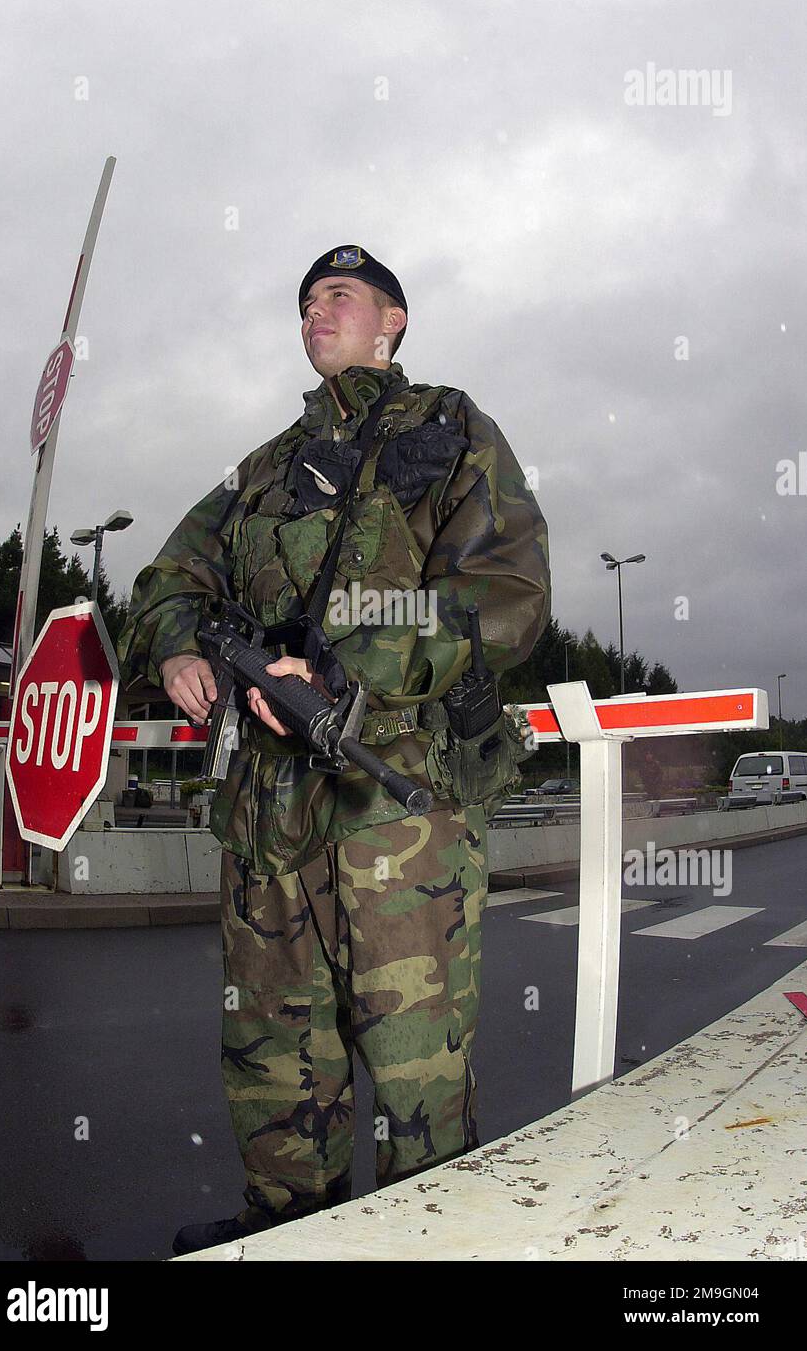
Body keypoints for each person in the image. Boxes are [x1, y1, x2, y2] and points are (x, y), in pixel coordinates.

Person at [117, 244, 551, 1255]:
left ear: (393, 319)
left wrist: (346, 666)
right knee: (274, 1059)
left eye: (341, 295)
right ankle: (286, 1235)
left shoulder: (451, 431)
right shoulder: (261, 470)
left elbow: (507, 596)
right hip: (266, 816)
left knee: (417, 1078)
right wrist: (182, 645)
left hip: (398, 812)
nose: (318, 310)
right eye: (308, 299)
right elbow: (168, 573)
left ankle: (431, 1244)